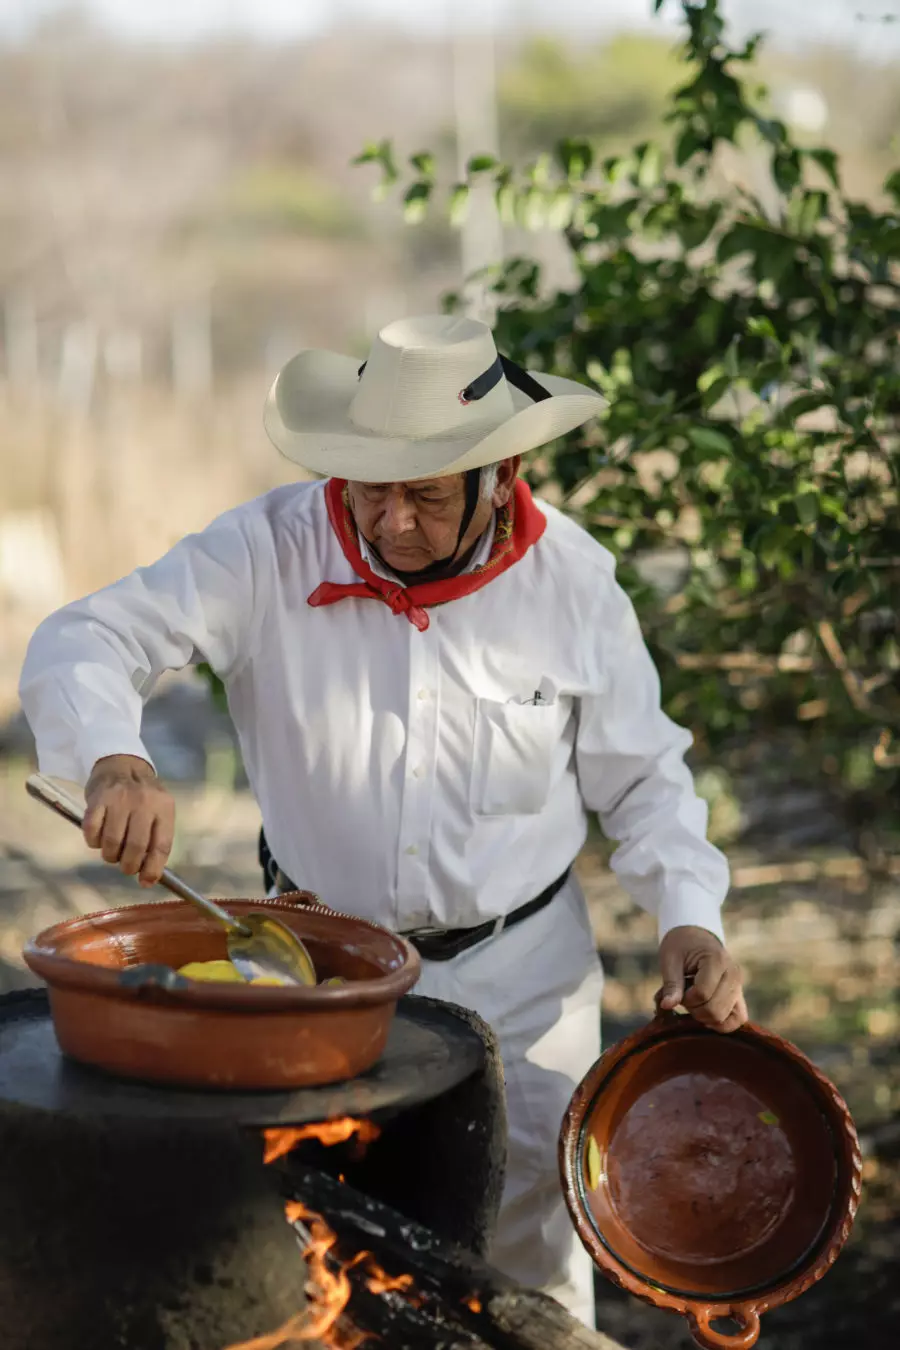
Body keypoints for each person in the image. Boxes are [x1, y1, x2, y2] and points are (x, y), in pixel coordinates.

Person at [19, 313, 747, 1328]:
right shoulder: (266, 550)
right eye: (373, 488)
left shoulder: (573, 582)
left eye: (427, 494)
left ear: (501, 473)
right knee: (332, 1252)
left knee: (529, 1256)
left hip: (524, 987)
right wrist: (114, 753)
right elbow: (85, 637)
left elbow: (647, 781)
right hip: (319, 980)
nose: (393, 520)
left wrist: (690, 914)